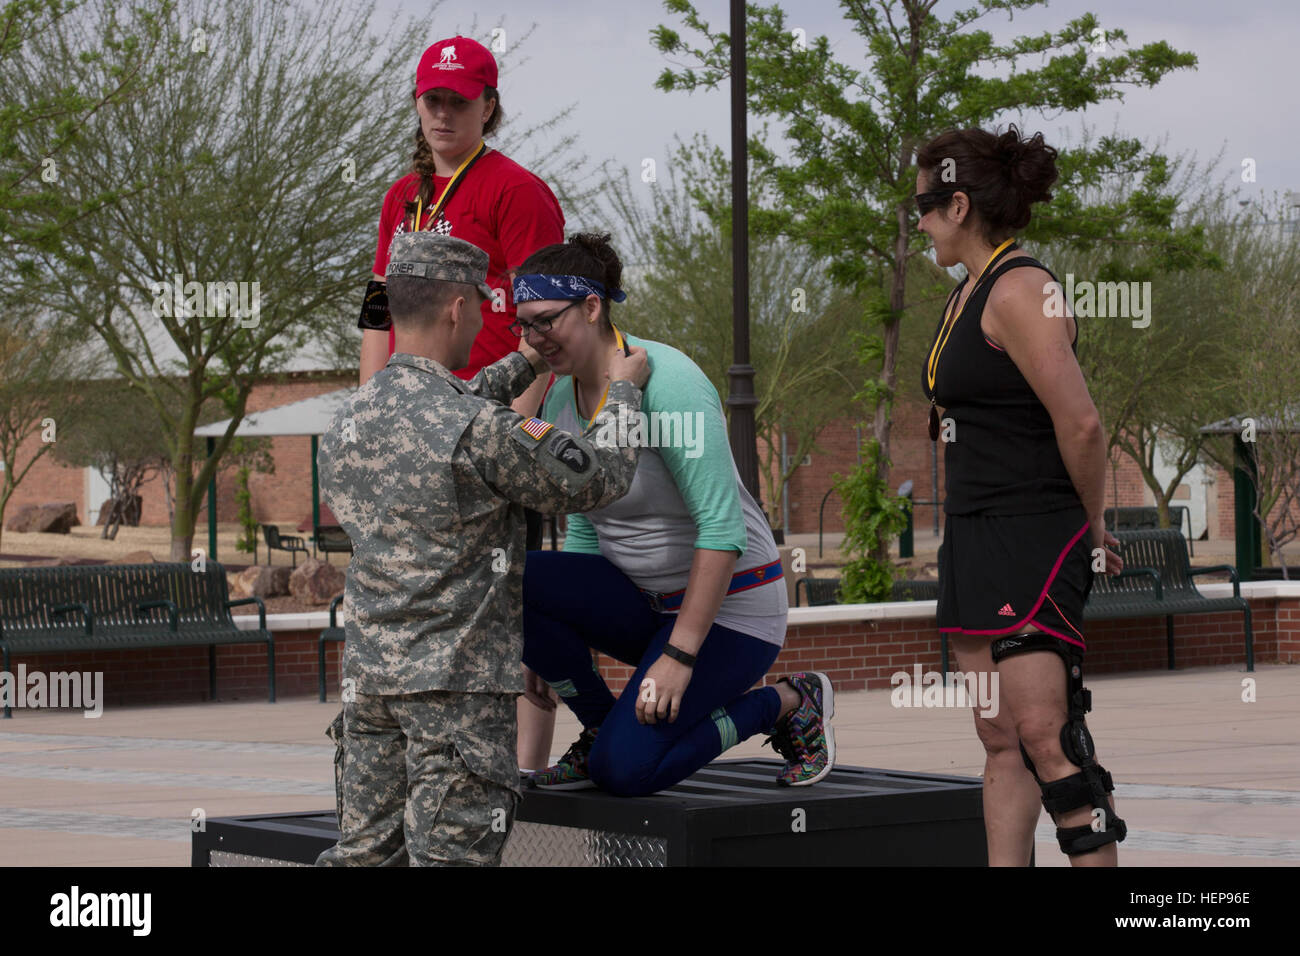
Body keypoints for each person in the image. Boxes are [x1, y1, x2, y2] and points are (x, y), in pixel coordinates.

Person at [316, 232, 648, 865]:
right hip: (455, 702)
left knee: (363, 857)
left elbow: (448, 410)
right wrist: (624, 390)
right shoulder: (476, 430)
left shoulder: (350, 418)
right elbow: (601, 477)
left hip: (370, 690)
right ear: (457, 309)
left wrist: (525, 361)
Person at [511, 233, 833, 796]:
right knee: (511, 578)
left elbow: (722, 529)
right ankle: (601, 727)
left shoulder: (670, 382)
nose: (533, 341)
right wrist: (556, 633)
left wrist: (681, 655)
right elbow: (588, 518)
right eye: (523, 325)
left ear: (591, 307)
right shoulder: (560, 398)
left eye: (545, 322)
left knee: (624, 772)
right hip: (643, 606)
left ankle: (785, 702)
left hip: (731, 616)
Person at [916, 125, 1127, 866]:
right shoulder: (967, 292)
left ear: (961, 204)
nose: (918, 222)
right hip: (973, 533)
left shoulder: (1023, 288)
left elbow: (1082, 423)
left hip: (1034, 531)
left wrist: (1093, 526)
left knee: (1048, 738)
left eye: (925, 206)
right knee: (998, 737)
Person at [354, 34, 565, 771]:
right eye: (431, 99)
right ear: (416, 103)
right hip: (417, 427)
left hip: (493, 419)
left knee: (514, 604)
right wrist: (371, 416)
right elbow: (379, 313)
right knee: (421, 599)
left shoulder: (516, 190)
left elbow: (549, 320)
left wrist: (524, 426)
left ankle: (531, 776)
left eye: (459, 100)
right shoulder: (399, 198)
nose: (443, 113)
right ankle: (429, 766)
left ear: (488, 105)